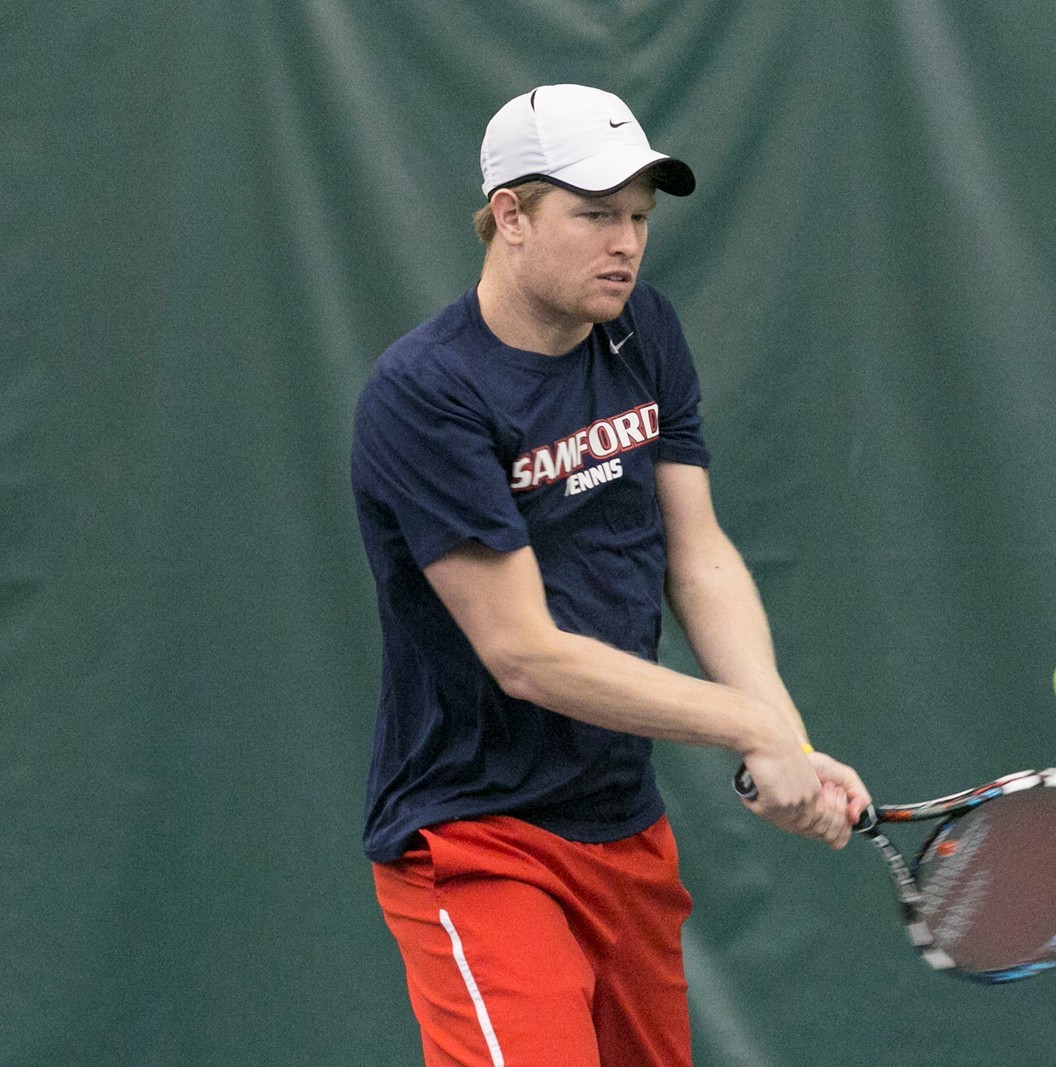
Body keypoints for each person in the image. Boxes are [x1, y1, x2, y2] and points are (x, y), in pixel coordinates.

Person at [349, 83, 870, 1067]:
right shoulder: (425, 395)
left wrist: (781, 724)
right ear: (509, 214)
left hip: (623, 828)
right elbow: (525, 652)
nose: (624, 242)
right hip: (478, 836)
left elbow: (698, 551)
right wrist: (745, 724)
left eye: (637, 215)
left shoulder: (644, 334)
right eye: (593, 214)